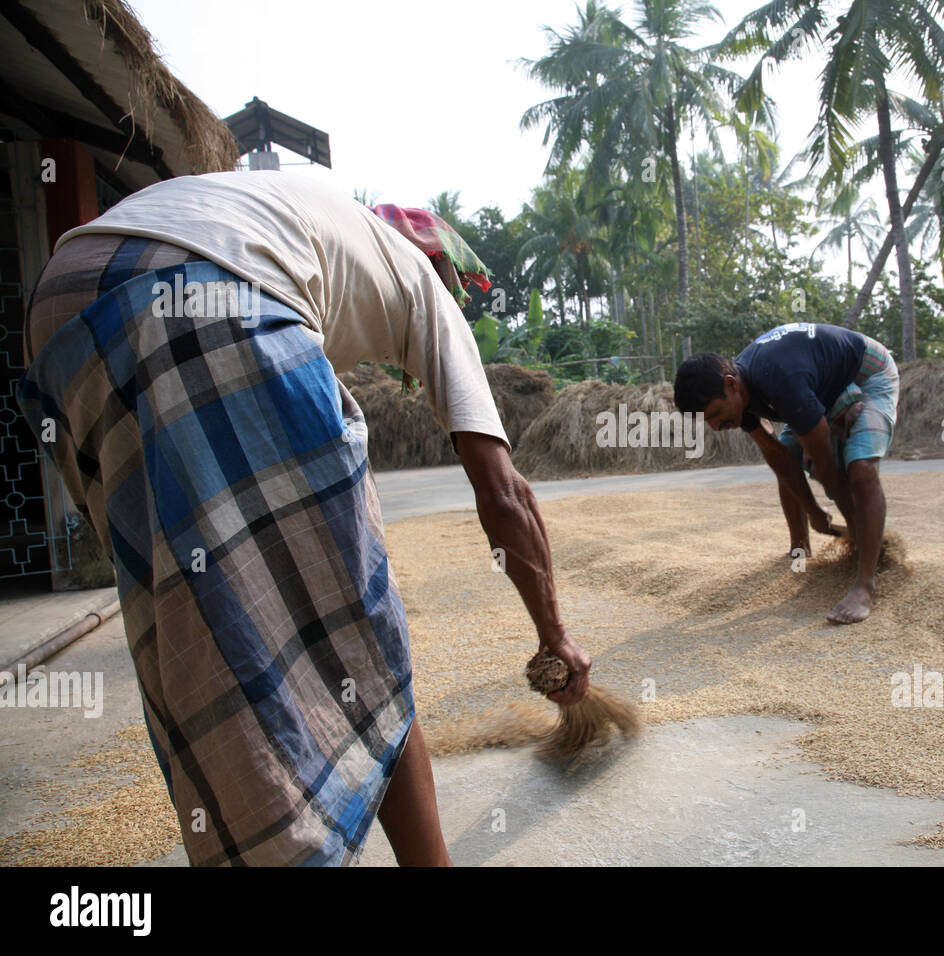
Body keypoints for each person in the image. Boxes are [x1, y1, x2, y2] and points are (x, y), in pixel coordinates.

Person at [18, 171, 590, 866]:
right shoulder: (420, 283)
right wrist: (556, 639)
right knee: (361, 634)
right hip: (210, 291)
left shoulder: (301, 228)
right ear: (441, 265)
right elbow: (504, 492)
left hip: (56, 319)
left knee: (198, 619)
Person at [673, 322, 900, 624]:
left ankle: (866, 582)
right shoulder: (739, 393)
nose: (716, 426)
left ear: (731, 385)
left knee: (860, 469)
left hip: (867, 372)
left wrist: (854, 532)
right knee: (787, 454)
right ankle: (799, 546)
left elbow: (826, 464)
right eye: (708, 422)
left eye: (715, 415)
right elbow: (778, 457)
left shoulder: (781, 380)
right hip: (820, 388)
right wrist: (812, 509)